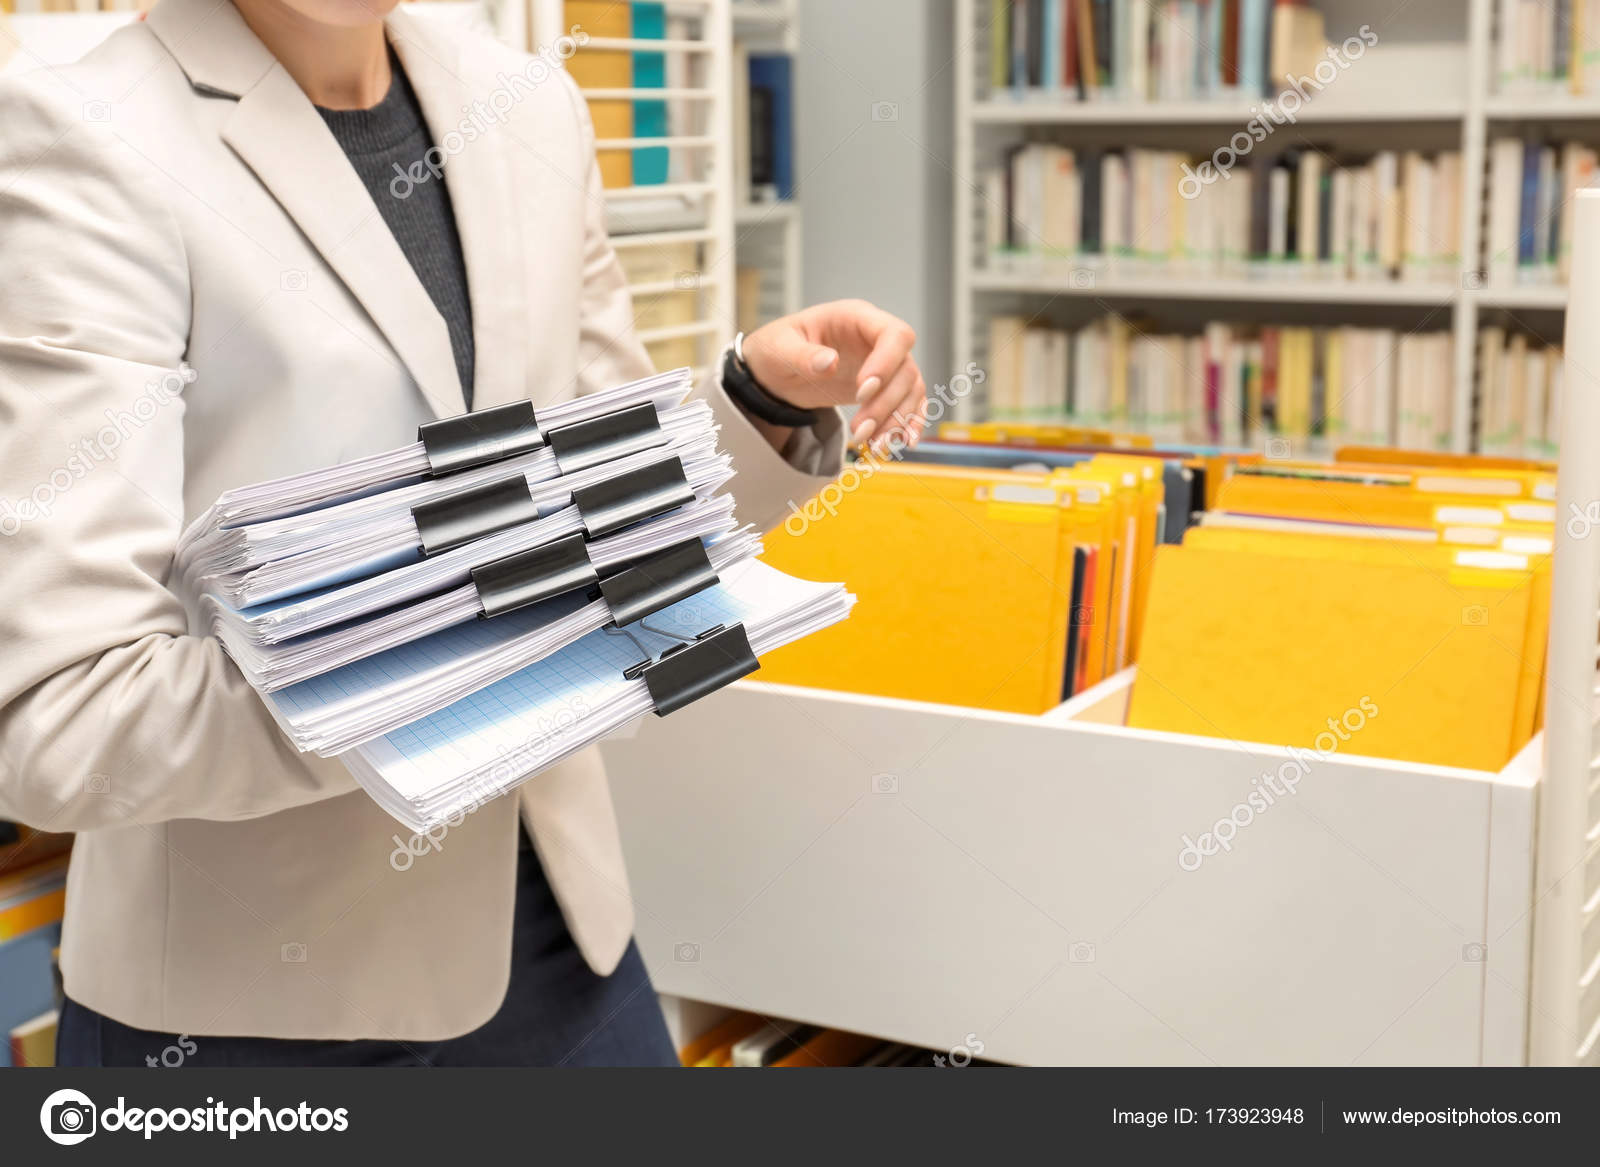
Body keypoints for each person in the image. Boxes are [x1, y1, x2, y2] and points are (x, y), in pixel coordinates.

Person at [0, 0, 926, 1066]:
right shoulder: (84, 126)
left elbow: (608, 491)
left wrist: (754, 404)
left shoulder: (523, 102)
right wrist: (468, 673)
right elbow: (57, 719)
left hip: (563, 927)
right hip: (260, 1003)